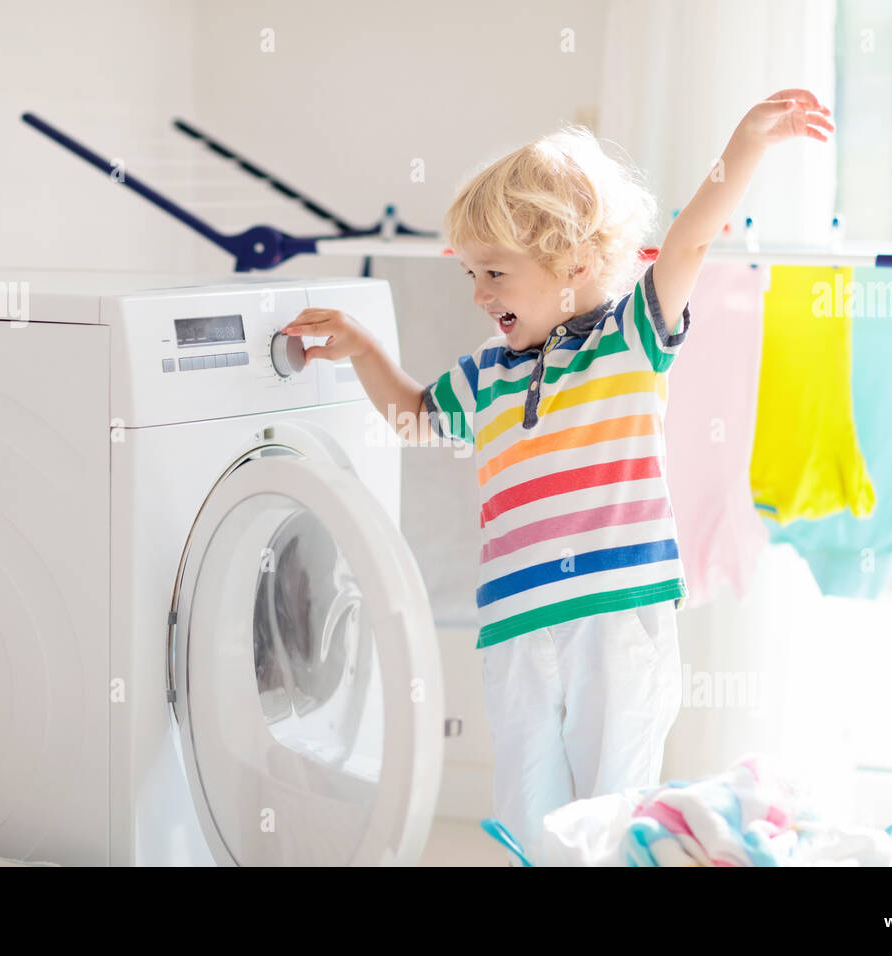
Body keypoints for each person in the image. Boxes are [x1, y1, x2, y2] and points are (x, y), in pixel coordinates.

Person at [281, 89, 833, 863]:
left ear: (575, 262)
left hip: (615, 617)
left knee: (611, 814)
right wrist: (365, 350)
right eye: (473, 273)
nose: (478, 294)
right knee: (532, 823)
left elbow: (691, 242)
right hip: (515, 627)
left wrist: (744, 146)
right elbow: (415, 419)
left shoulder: (629, 339)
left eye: (495, 273)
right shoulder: (487, 374)